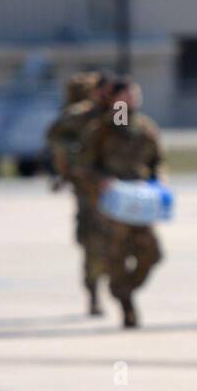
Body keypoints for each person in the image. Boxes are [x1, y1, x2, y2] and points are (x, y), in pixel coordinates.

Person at [83, 78, 166, 329]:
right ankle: (126, 306)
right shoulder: (101, 129)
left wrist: (159, 178)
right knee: (116, 256)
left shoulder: (145, 127)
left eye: (135, 95)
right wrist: (102, 180)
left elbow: (157, 160)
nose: (132, 99)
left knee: (152, 253)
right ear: (115, 99)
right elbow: (86, 165)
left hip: (140, 201)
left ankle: (123, 290)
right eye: (127, 95)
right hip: (113, 203)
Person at [47, 72, 109, 315]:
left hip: (118, 188)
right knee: (93, 242)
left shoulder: (116, 113)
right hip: (89, 189)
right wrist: (74, 163)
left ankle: (115, 288)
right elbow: (56, 139)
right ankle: (95, 292)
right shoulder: (79, 115)